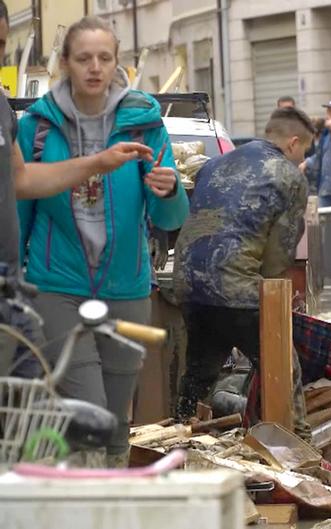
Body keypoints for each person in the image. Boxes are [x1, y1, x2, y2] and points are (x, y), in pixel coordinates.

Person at [15, 16, 189, 466]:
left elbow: (170, 217)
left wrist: (169, 190)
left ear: (118, 64)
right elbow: (17, 211)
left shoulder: (143, 124)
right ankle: (82, 502)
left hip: (127, 288)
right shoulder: (37, 128)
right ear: (66, 65)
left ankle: (109, 502)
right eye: (84, 58)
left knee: (114, 421)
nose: (95, 67)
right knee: (86, 409)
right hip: (55, 289)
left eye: (104, 58)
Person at [173, 108, 314, 438]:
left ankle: (181, 435)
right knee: (281, 365)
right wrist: (274, 291)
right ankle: (298, 445)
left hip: (188, 284)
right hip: (235, 286)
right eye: (304, 150)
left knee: (200, 371)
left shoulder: (214, 164)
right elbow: (280, 252)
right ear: (293, 143)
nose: (302, 158)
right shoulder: (289, 177)